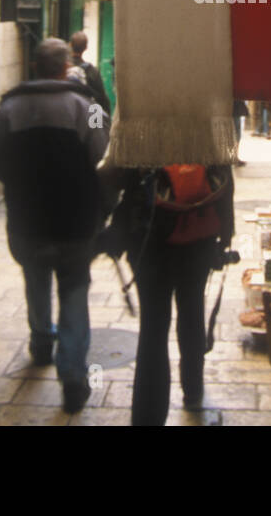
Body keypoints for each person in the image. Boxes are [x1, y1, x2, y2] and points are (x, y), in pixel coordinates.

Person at [0, 37, 110, 413]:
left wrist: (20, 184)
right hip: (75, 217)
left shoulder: (8, 109)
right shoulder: (87, 106)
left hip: (28, 216)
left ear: (35, 67)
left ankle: (41, 342)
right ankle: (72, 377)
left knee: (35, 275)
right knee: (74, 288)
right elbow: (99, 150)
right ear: (64, 67)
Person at [99, 164, 235, 426]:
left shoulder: (137, 134)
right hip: (198, 233)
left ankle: (148, 418)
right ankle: (193, 390)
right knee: (192, 311)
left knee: (153, 329)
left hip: (149, 236)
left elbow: (111, 175)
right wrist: (226, 234)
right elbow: (224, 175)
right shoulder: (207, 133)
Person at [69, 30, 111, 115]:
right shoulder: (92, 71)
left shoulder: (62, 69)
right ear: (86, 48)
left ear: (70, 45)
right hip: (85, 116)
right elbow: (102, 100)